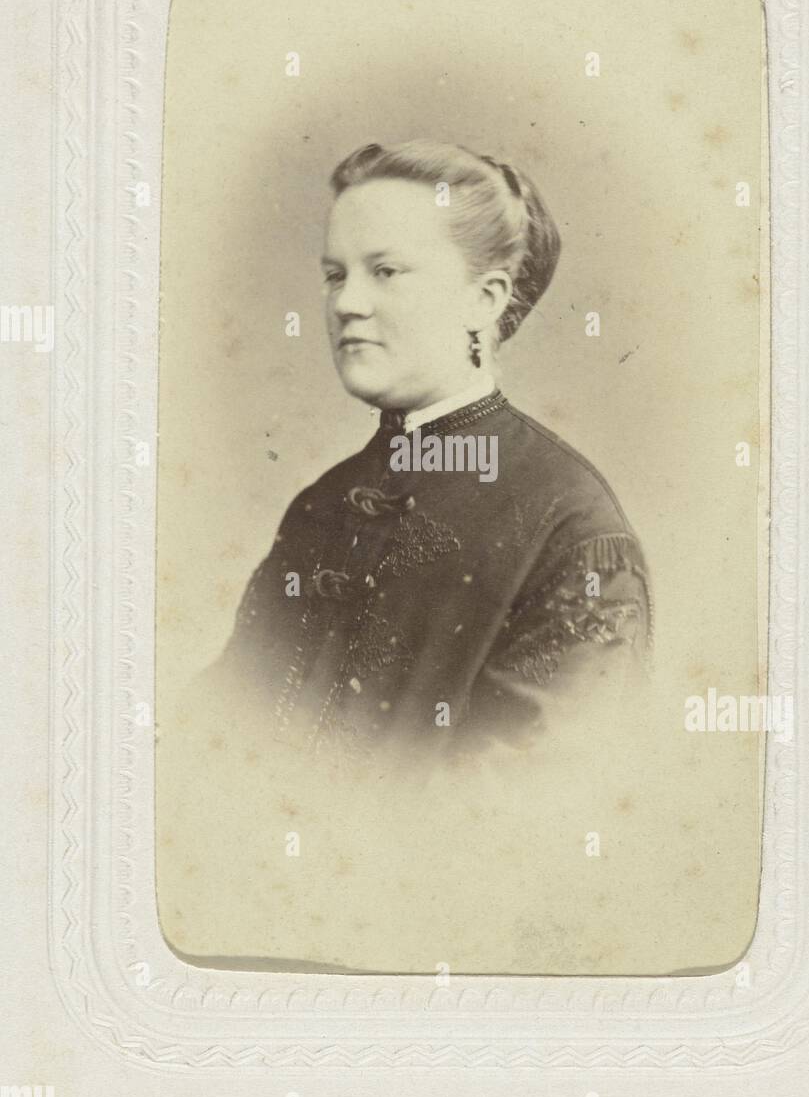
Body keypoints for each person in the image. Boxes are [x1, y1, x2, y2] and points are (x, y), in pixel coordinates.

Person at [214, 139, 652, 758]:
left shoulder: (570, 527)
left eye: (386, 271)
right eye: (334, 275)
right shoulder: (321, 507)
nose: (346, 303)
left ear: (486, 299)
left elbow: (541, 797)